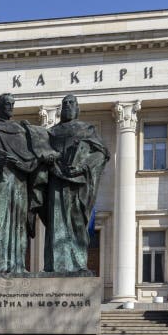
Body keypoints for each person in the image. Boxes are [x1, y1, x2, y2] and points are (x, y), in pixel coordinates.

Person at [0, 93, 56, 273]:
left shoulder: (22, 131)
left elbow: (31, 158)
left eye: (12, 104)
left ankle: (18, 266)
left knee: (20, 225)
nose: (10, 107)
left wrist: (39, 162)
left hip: (20, 184)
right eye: (6, 104)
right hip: (1, 183)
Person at [41, 94, 110, 274]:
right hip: (56, 182)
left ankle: (78, 264)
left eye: (72, 103)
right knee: (56, 224)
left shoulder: (87, 129)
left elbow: (101, 153)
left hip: (78, 184)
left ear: (77, 108)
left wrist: (83, 166)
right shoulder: (52, 132)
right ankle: (55, 265)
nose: (68, 106)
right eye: (65, 104)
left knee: (77, 222)